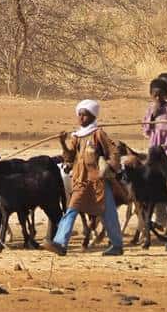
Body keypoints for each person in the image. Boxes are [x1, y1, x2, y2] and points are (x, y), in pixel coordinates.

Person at [44, 99, 124, 257]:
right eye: (79, 114)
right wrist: (62, 143)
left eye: (85, 115)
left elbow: (113, 151)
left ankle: (117, 245)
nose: (81, 118)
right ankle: (60, 243)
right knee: (71, 210)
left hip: (98, 182)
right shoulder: (76, 136)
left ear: (93, 116)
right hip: (80, 181)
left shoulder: (98, 134)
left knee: (108, 213)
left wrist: (112, 168)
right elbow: (69, 156)